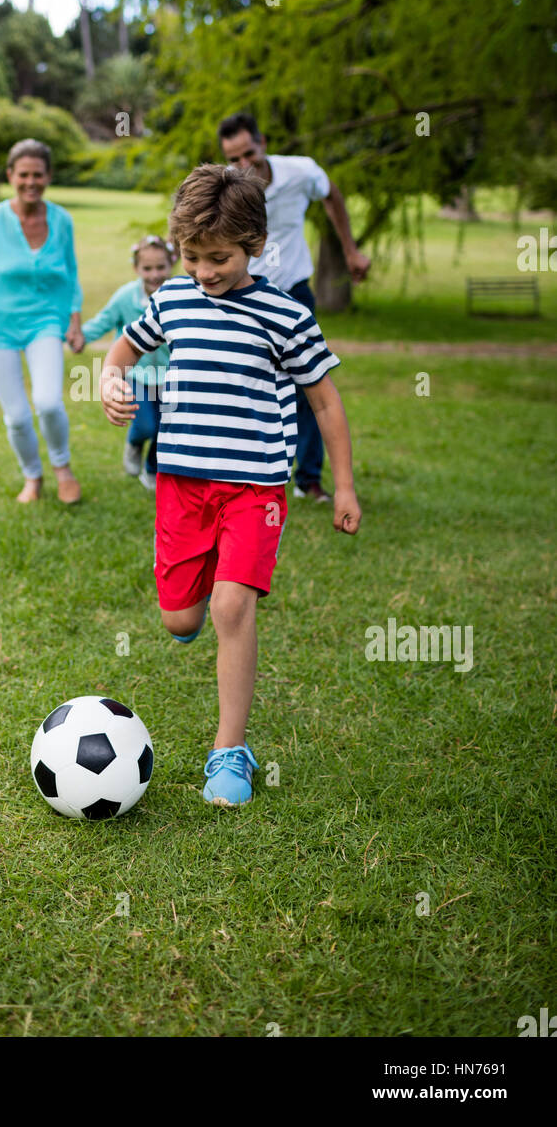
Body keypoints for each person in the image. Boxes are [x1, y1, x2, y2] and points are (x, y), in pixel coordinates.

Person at [100, 164, 361, 807]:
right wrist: (111, 382)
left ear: (254, 245)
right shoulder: (172, 301)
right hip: (182, 486)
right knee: (179, 618)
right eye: (192, 257)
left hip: (255, 488)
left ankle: (229, 752)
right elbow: (121, 353)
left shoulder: (283, 314)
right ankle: (202, 592)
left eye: (219, 258)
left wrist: (345, 487)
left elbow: (324, 403)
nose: (205, 271)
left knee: (230, 607)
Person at [218, 111, 370, 504]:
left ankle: (309, 478)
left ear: (262, 143)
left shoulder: (300, 172)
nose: (242, 165)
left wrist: (350, 250)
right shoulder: (227, 187)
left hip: (294, 294)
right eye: (233, 158)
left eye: (248, 153)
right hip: (245, 296)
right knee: (244, 383)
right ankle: (243, 472)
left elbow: (331, 193)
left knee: (310, 385)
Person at [0, 138, 84, 505]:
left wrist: (74, 321)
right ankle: (32, 476)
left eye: (38, 175)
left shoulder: (61, 220)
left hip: (45, 323)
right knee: (17, 418)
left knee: (49, 403)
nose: (31, 182)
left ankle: (63, 470)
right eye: (23, 174)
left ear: (49, 176)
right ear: (10, 175)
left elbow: (71, 275)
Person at [81, 235, 175, 492]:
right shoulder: (126, 298)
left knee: (166, 427)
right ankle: (134, 443)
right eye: (147, 268)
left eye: (160, 267)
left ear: (172, 264)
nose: (154, 274)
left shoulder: (177, 297)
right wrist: (80, 336)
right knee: (146, 423)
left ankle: (152, 470)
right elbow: (104, 320)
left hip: (170, 376)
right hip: (137, 373)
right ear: (136, 269)